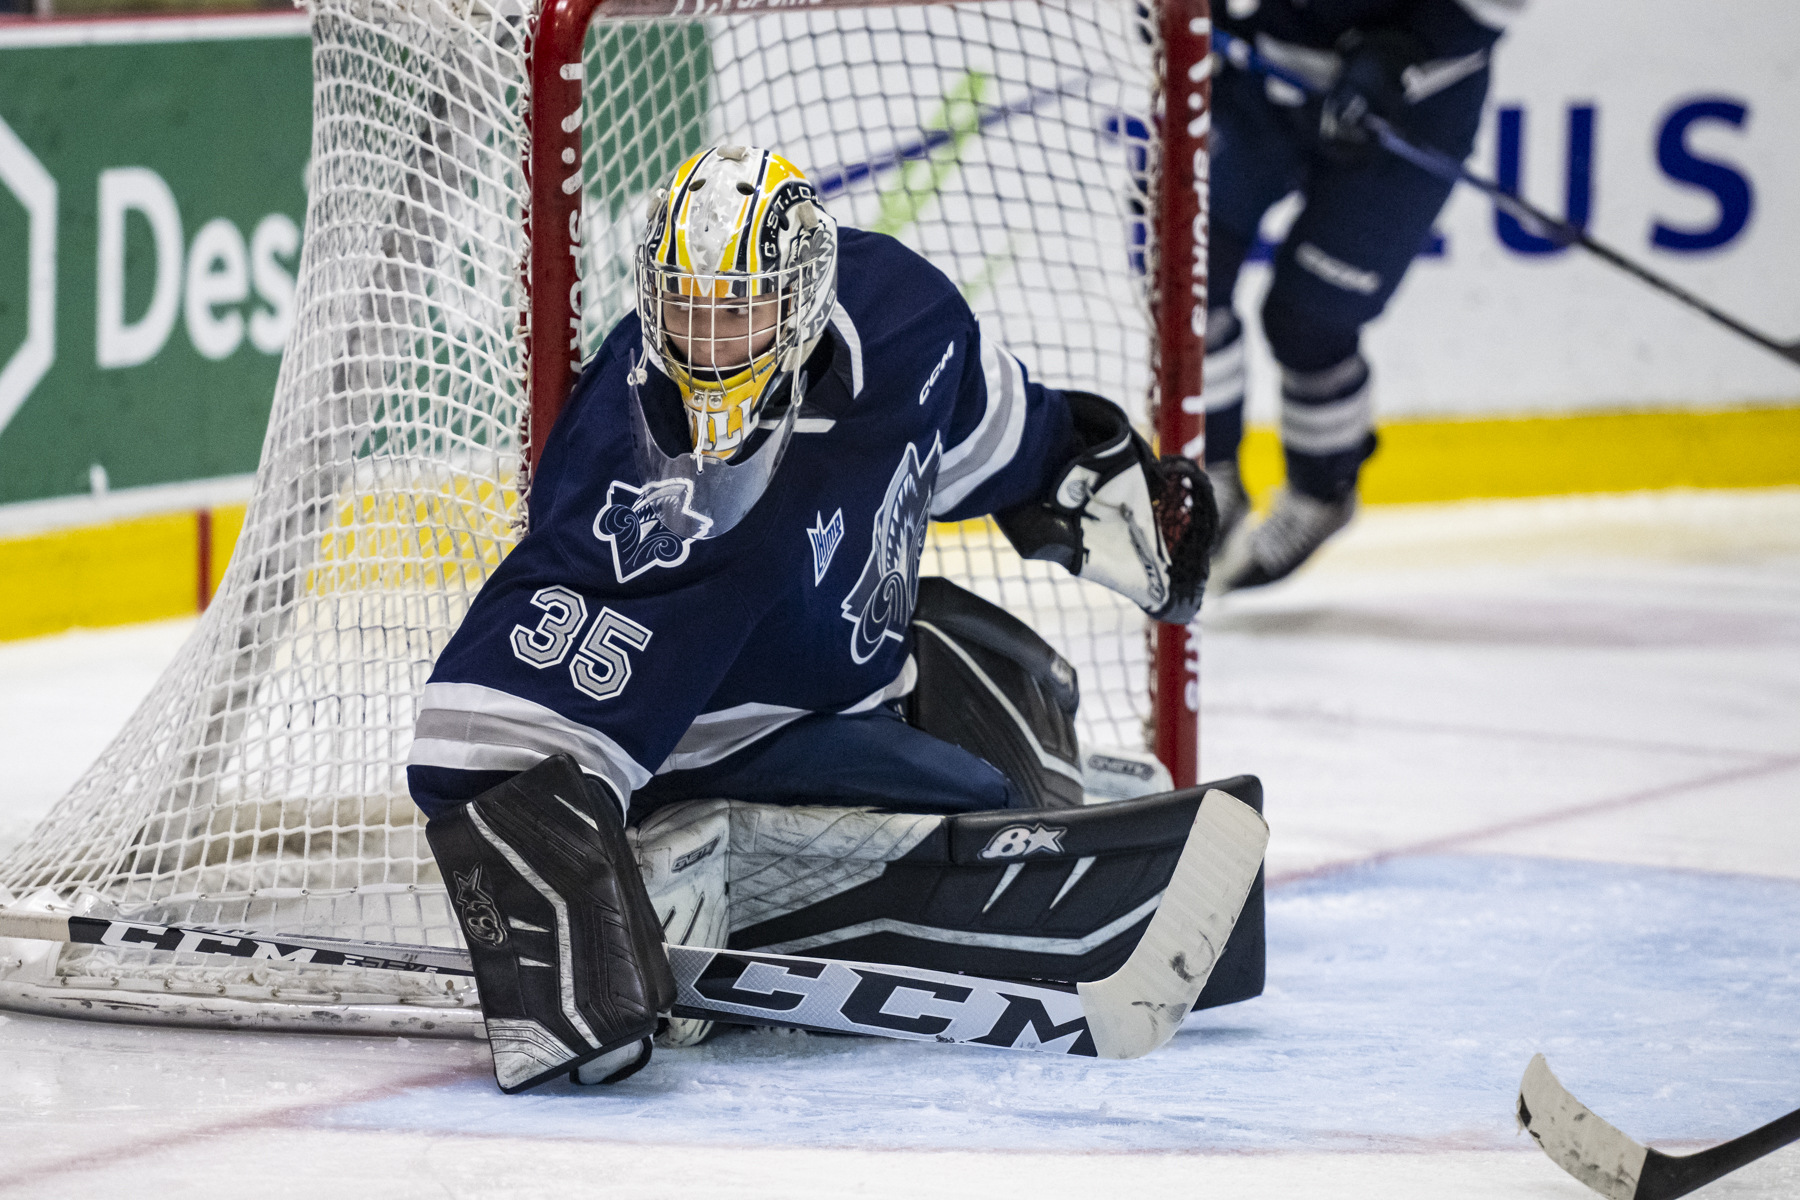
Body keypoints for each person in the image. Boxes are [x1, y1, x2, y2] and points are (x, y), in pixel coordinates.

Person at [404, 146, 1216, 1092]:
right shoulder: (643, 471)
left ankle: (786, 852)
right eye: (686, 310)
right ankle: (679, 857)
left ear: (805, 296)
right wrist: (560, 930)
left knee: (1005, 669)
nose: (708, 343)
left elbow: (1002, 436)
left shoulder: (907, 313)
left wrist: (1098, 484)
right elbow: (480, 742)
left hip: (850, 674)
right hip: (707, 733)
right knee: (982, 816)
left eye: (738, 310)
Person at [1204, 0, 1523, 591]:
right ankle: (1208, 479)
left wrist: (1405, 49)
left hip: (1413, 101)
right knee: (1188, 275)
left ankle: (1322, 492)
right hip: (1262, 69)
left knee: (1308, 321)